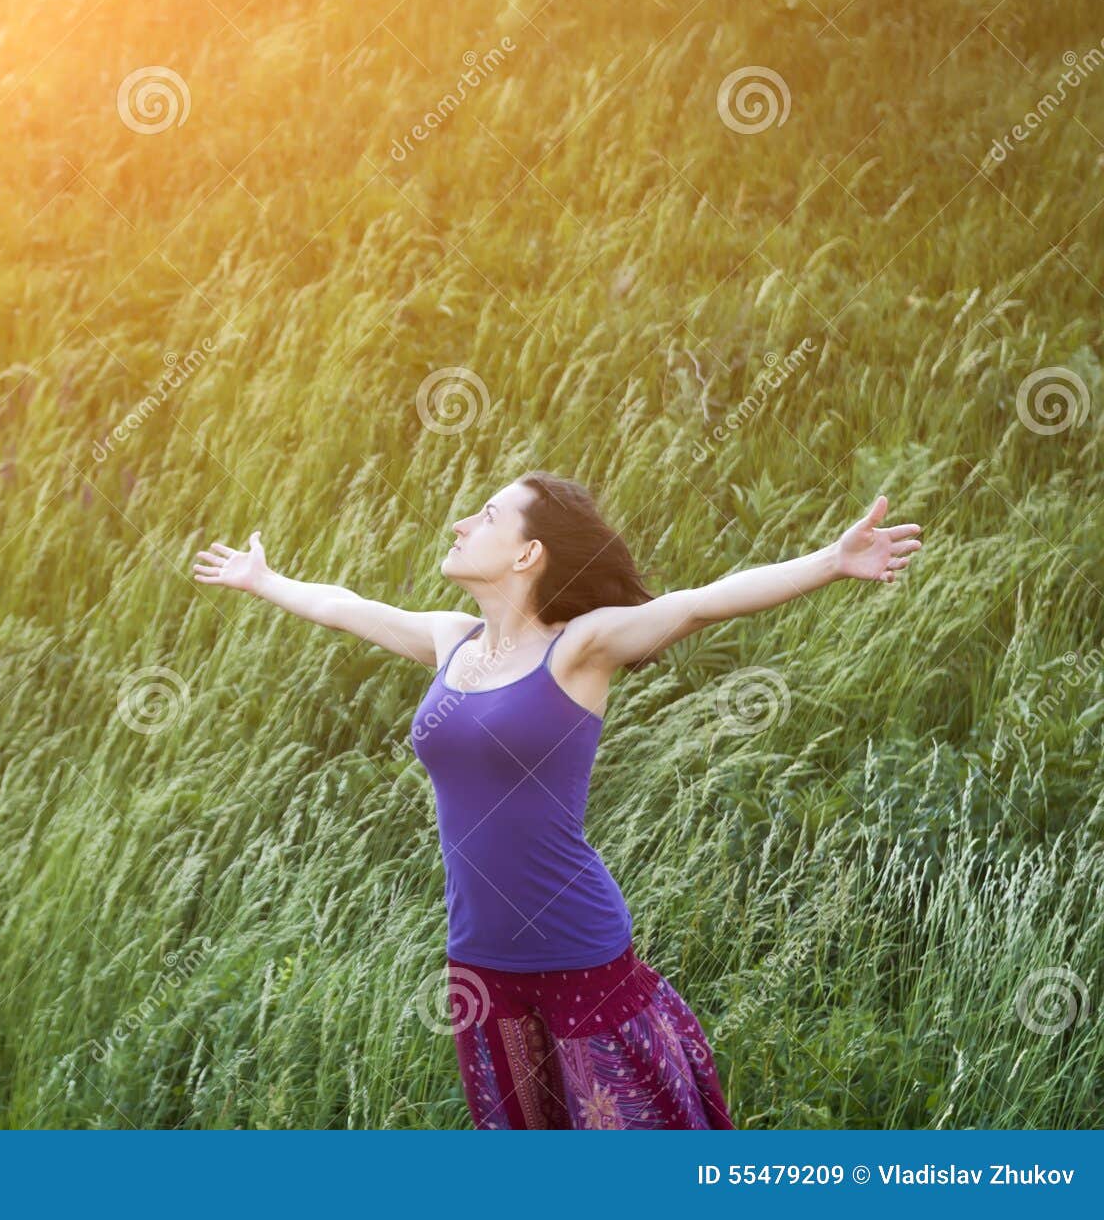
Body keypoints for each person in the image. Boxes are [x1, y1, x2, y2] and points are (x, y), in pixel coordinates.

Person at [192, 471, 923, 1128]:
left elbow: (700, 605)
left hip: (578, 950)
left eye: (486, 516)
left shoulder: (577, 649)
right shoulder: (452, 642)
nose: (460, 524)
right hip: (478, 961)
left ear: (528, 554)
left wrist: (831, 561)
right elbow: (340, 606)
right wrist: (264, 580)